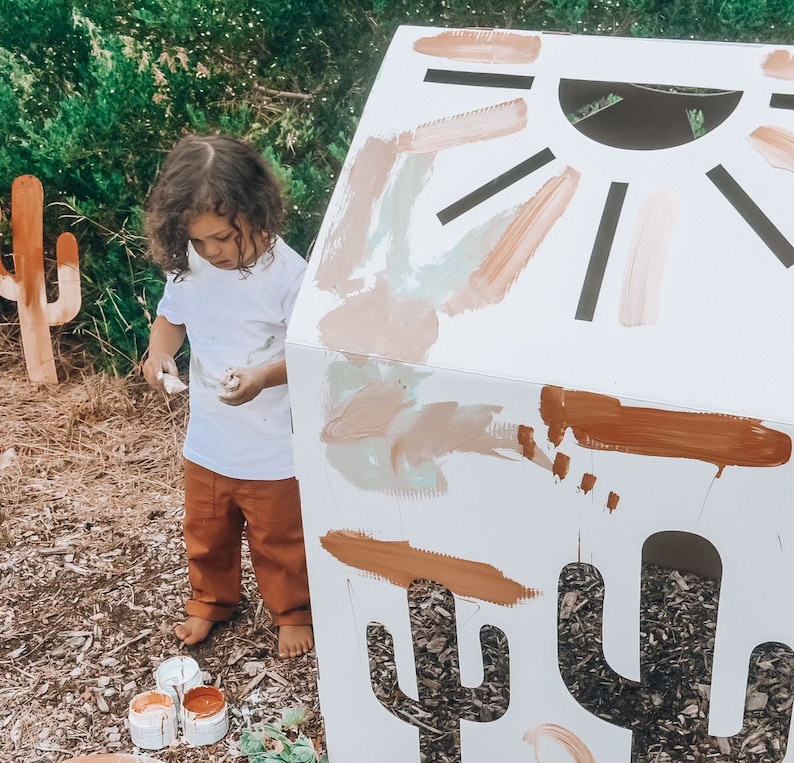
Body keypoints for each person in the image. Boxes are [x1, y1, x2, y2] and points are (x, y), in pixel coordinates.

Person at [142, 133, 312, 658]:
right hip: (209, 440)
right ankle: (210, 602)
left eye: (222, 237)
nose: (211, 251)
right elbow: (171, 318)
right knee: (206, 531)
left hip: (272, 446)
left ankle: (292, 610)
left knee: (280, 538)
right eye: (198, 241)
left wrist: (262, 377)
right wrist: (159, 354)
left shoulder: (290, 276)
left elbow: (310, 355)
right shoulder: (189, 267)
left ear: (256, 213)